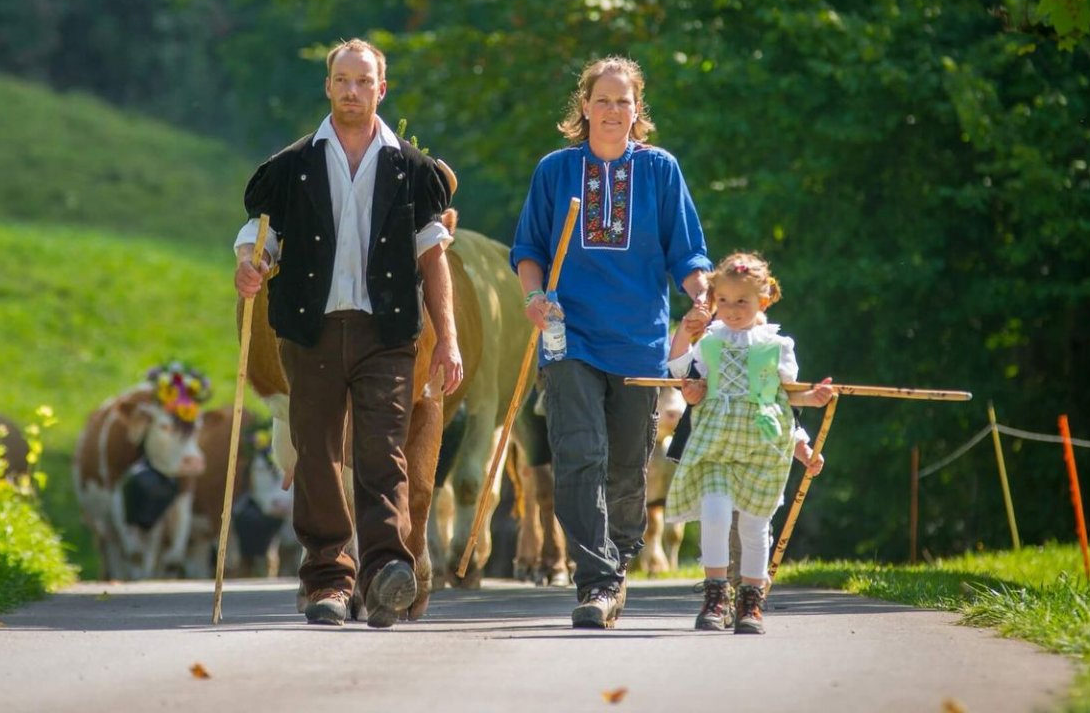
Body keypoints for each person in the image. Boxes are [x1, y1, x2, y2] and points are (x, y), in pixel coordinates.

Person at [232, 38, 465, 629]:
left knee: (382, 454)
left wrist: (450, 338)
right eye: (343, 80)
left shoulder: (412, 170)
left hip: (385, 332)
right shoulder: (292, 167)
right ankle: (328, 580)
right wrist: (250, 265)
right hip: (309, 331)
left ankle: (386, 573)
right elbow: (260, 236)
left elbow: (432, 258)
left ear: (381, 89)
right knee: (315, 455)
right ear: (328, 87)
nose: (353, 91)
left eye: (364, 81)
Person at [510, 55, 711, 629]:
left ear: (636, 109)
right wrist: (533, 299)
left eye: (624, 101)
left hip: (640, 343)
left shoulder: (659, 170)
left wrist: (701, 295)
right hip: (568, 337)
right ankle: (596, 580)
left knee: (627, 467)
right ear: (584, 106)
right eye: (603, 99)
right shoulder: (555, 170)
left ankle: (616, 565)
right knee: (579, 455)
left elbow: (688, 254)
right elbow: (528, 250)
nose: (613, 110)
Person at [663, 251, 833, 634]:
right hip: (715, 444)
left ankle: (751, 601)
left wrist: (810, 406)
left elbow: (786, 399)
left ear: (764, 300)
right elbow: (680, 374)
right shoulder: (709, 341)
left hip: (762, 445)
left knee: (755, 527)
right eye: (723, 300)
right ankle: (716, 593)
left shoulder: (776, 346)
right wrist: (689, 385)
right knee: (716, 512)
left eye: (742, 301)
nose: (732, 309)